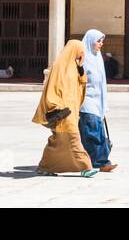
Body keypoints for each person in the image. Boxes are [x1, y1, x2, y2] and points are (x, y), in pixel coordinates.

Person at [33, 40, 98, 177]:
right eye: (81, 51)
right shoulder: (60, 66)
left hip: (71, 110)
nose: (82, 54)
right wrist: (56, 105)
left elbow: (81, 86)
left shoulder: (74, 66)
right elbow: (52, 88)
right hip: (62, 110)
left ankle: (45, 166)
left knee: (57, 142)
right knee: (73, 138)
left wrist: (81, 69)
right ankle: (86, 167)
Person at [79, 29, 116, 173]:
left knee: (97, 132)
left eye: (102, 41)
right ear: (90, 41)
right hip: (86, 100)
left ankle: (94, 160)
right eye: (98, 41)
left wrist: (102, 104)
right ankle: (101, 162)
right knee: (93, 132)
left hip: (97, 101)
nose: (101, 44)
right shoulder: (82, 59)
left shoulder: (97, 57)